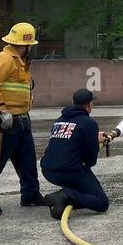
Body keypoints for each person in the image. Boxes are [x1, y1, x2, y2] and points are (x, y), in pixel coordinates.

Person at [0, 22, 45, 216]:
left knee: (27, 160)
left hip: (21, 119)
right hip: (7, 121)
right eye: (31, 45)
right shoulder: (5, 59)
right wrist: (0, 110)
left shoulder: (21, 60)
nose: (32, 49)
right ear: (25, 44)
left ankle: (30, 195)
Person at [41, 89, 110, 220]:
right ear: (90, 105)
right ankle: (65, 196)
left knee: (80, 187)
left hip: (48, 171)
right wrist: (95, 144)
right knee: (101, 202)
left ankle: (64, 197)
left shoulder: (60, 120)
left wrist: (93, 138)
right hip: (69, 172)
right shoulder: (89, 123)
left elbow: (69, 141)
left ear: (73, 103)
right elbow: (90, 161)